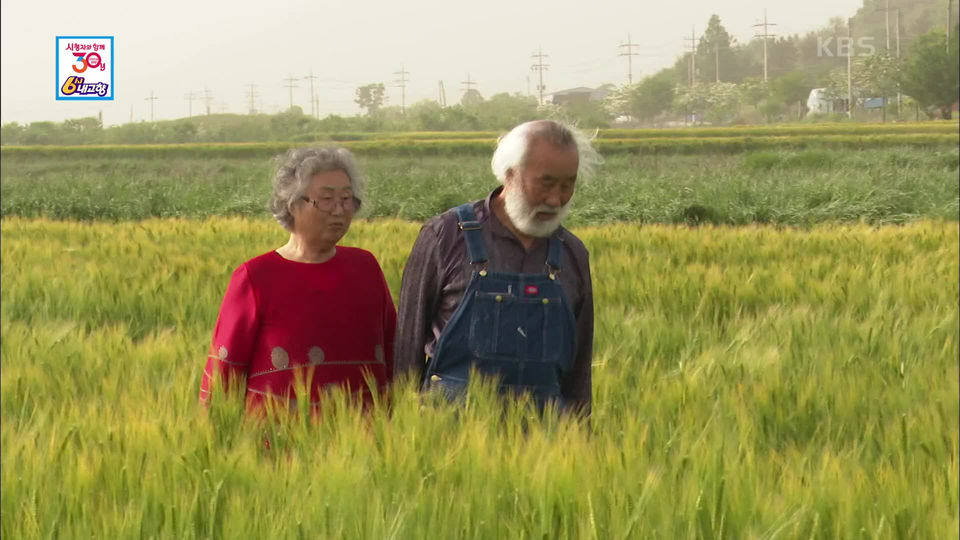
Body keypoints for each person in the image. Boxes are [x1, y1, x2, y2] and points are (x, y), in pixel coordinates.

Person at [396, 120, 600, 416]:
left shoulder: (572, 254)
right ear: (509, 174)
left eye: (568, 184)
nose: (556, 199)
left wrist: (582, 445)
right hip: (448, 439)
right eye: (545, 183)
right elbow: (406, 351)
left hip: (545, 446)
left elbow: (579, 373)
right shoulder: (445, 237)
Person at [199, 147, 396, 414]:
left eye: (347, 199)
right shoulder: (256, 277)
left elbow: (394, 353)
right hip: (278, 446)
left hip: (366, 442)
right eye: (326, 199)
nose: (340, 210)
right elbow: (223, 375)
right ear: (292, 204)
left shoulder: (365, 267)